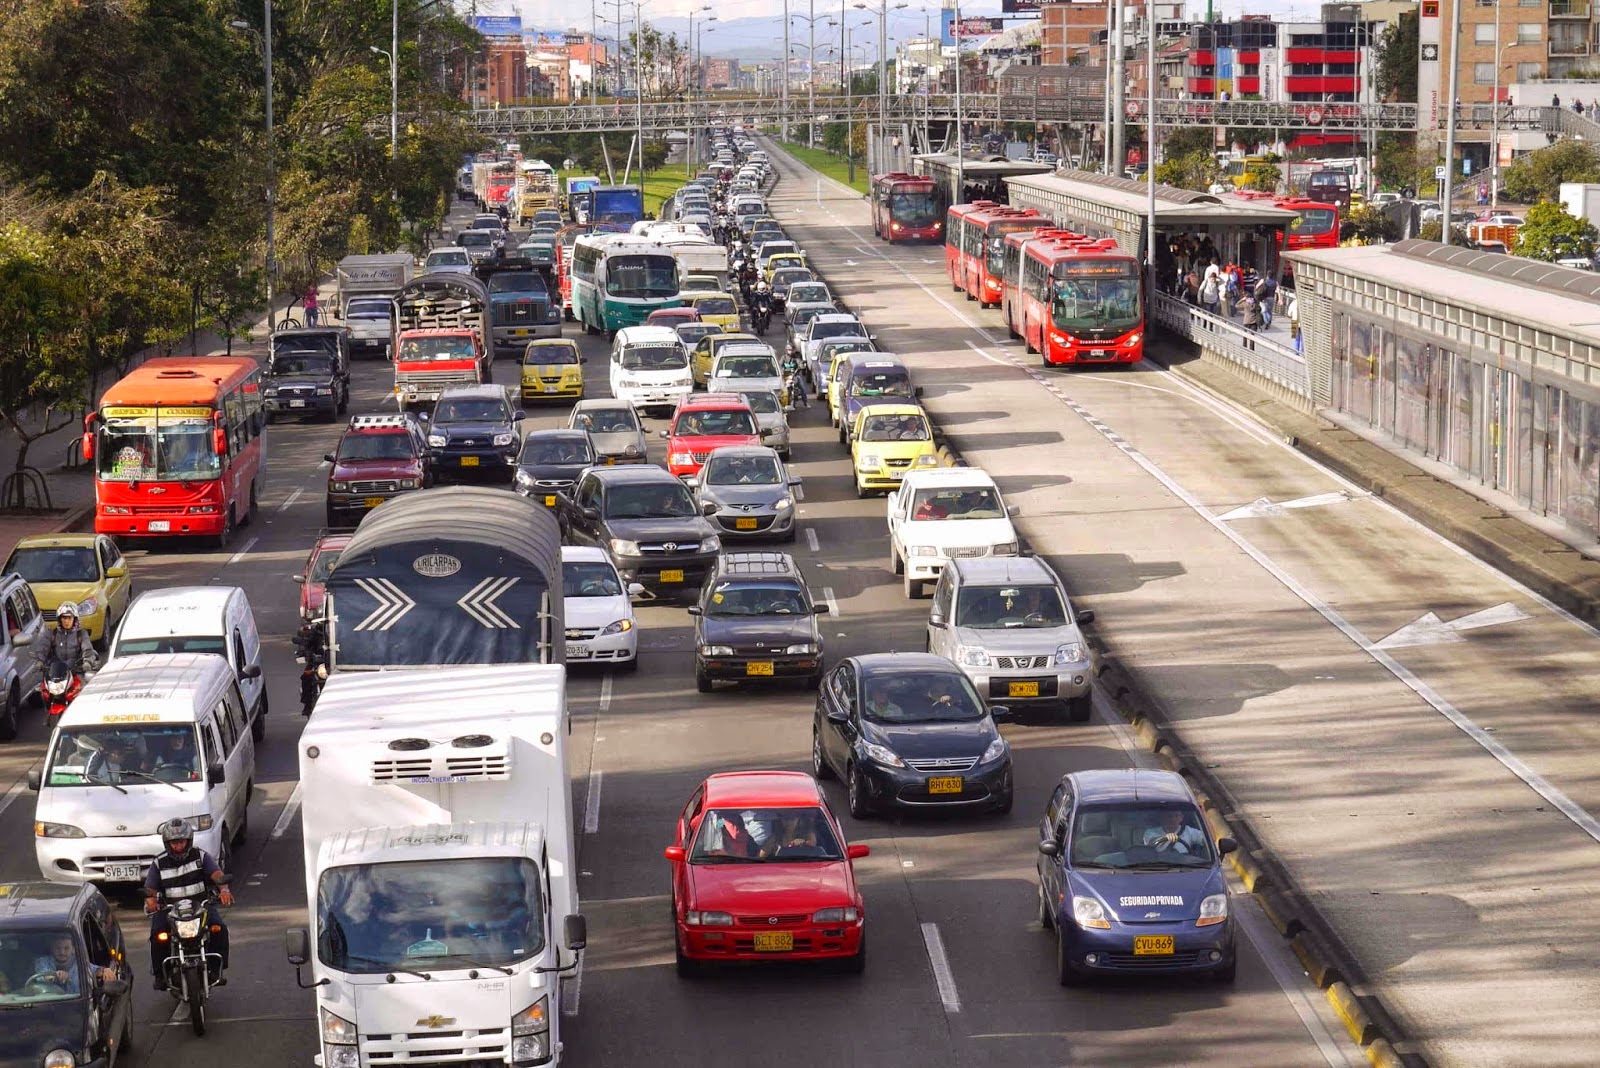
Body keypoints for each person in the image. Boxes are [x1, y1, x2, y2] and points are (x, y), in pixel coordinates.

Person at [145, 817, 233, 991]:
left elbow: (217, 874)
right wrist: (151, 902)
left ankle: (215, 970)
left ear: (189, 840)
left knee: (218, 928)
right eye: (174, 843)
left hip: (200, 906)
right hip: (171, 909)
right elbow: (150, 888)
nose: (178, 846)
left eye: (181, 842)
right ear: (167, 843)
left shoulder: (200, 856)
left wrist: (224, 890)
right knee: (158, 934)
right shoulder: (158, 862)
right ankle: (160, 974)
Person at [31, 934, 114, 994]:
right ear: (52, 948)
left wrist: (104, 970)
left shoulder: (80, 963)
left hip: (77, 1008)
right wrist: (56, 976)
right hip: (48, 1006)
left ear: (73, 950)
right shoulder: (42, 962)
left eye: (66, 948)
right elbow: (42, 975)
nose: (62, 952)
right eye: (58, 948)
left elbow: (94, 970)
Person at [34, 602, 97, 676]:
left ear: (75, 619)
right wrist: (40, 661)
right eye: (64, 618)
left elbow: (88, 650)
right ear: (60, 619)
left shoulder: (81, 634)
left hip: (76, 672)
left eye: (69, 618)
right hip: (55, 672)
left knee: (85, 683)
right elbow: (43, 647)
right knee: (42, 687)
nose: (66, 621)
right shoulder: (52, 633)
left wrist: (87, 662)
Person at [1142, 810, 1209, 856]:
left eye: (1176, 816)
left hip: (1186, 865)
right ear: (1162, 818)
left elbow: (1207, 840)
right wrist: (1165, 838)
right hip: (1158, 865)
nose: (1173, 819)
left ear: (1181, 818)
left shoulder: (1189, 831)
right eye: (1169, 816)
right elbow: (1150, 842)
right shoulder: (1151, 832)